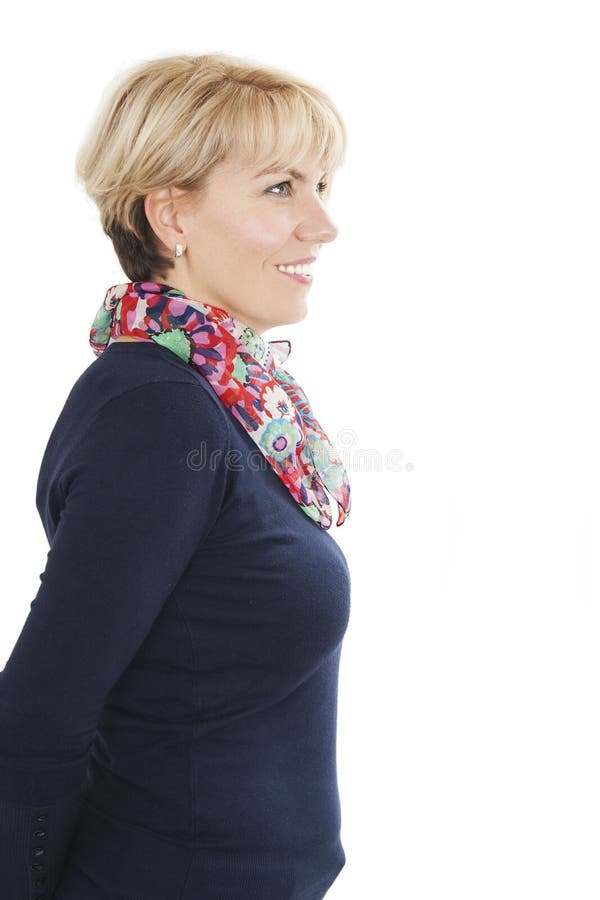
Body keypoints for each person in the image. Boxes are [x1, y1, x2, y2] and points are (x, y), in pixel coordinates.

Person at [0, 52, 352, 900]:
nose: (322, 224)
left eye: (322, 186)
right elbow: (36, 720)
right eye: (280, 188)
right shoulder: (158, 412)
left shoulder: (224, 397)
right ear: (170, 215)